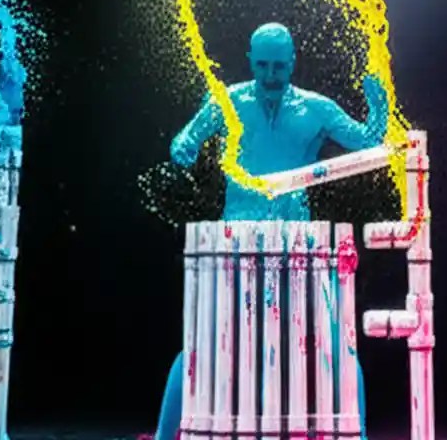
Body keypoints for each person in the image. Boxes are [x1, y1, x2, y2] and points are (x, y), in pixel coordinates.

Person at [154, 22, 390, 440]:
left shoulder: (315, 108)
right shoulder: (228, 102)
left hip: (297, 244)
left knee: (335, 346)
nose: (270, 75)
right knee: (201, 344)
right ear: (249, 59)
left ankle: (359, 434)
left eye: (279, 66)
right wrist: (184, 148)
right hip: (234, 242)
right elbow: (182, 141)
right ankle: (163, 436)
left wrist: (379, 104)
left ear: (293, 63)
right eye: (262, 65)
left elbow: (368, 143)